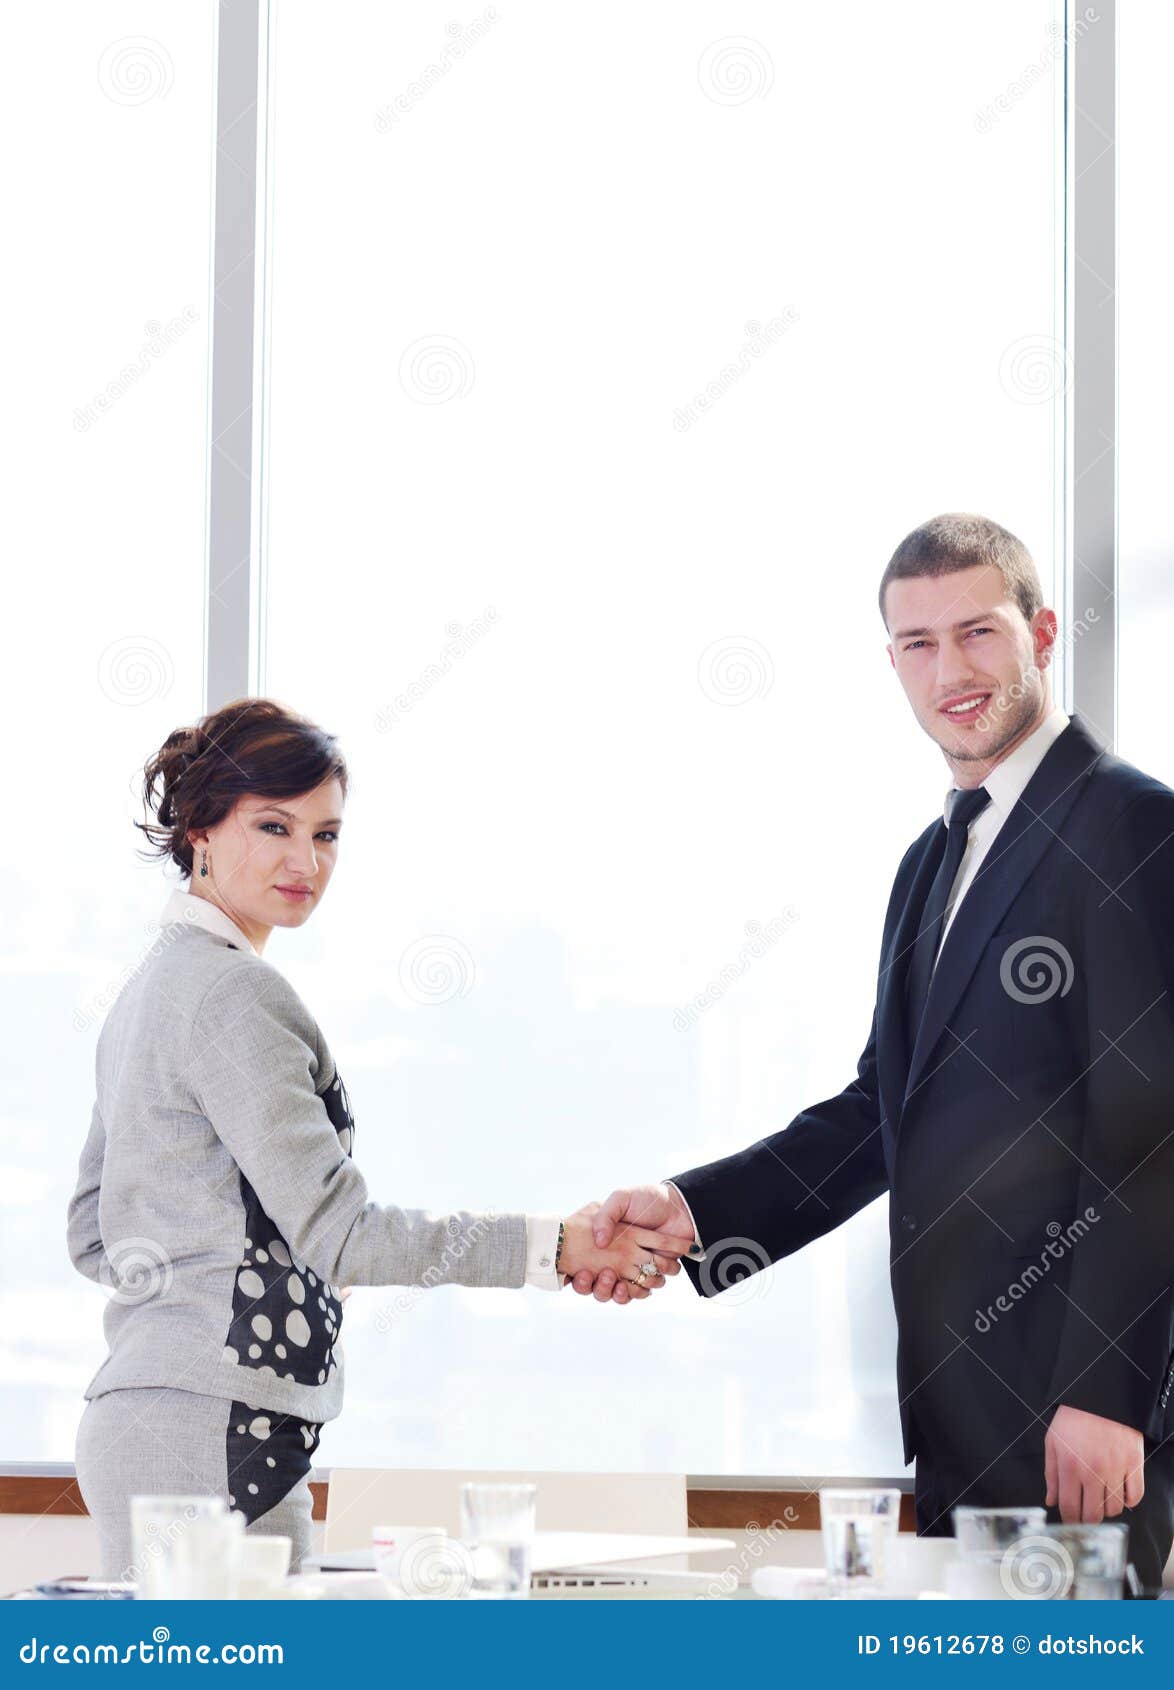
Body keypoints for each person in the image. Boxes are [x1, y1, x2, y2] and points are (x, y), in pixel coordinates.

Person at [585, 513, 1174, 1595]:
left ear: (1042, 633)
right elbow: (880, 1113)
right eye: (918, 643)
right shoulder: (930, 861)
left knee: (1071, 1669)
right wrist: (697, 1211)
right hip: (961, 1414)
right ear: (891, 662)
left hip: (1075, 1421)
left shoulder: (1137, 826)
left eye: (978, 632)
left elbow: (1152, 1132)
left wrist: (1106, 1391)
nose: (951, 672)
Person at [67, 698, 692, 1581]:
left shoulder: (147, 989)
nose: (306, 861)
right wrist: (557, 1245)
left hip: (147, 1419)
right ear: (201, 828)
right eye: (274, 826)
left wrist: (259, 1269)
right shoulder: (234, 994)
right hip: (216, 1424)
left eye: (326, 835)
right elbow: (345, 1235)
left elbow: (93, 1233)